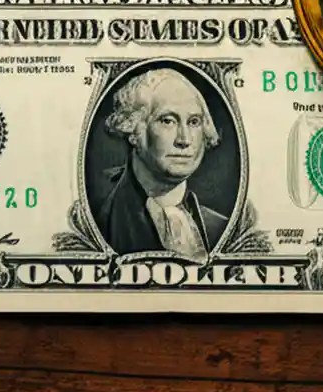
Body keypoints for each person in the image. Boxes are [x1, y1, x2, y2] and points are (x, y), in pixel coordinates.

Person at [95, 68, 229, 261]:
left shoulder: (219, 226)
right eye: (168, 121)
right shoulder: (102, 222)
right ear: (134, 129)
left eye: (193, 122)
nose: (184, 140)